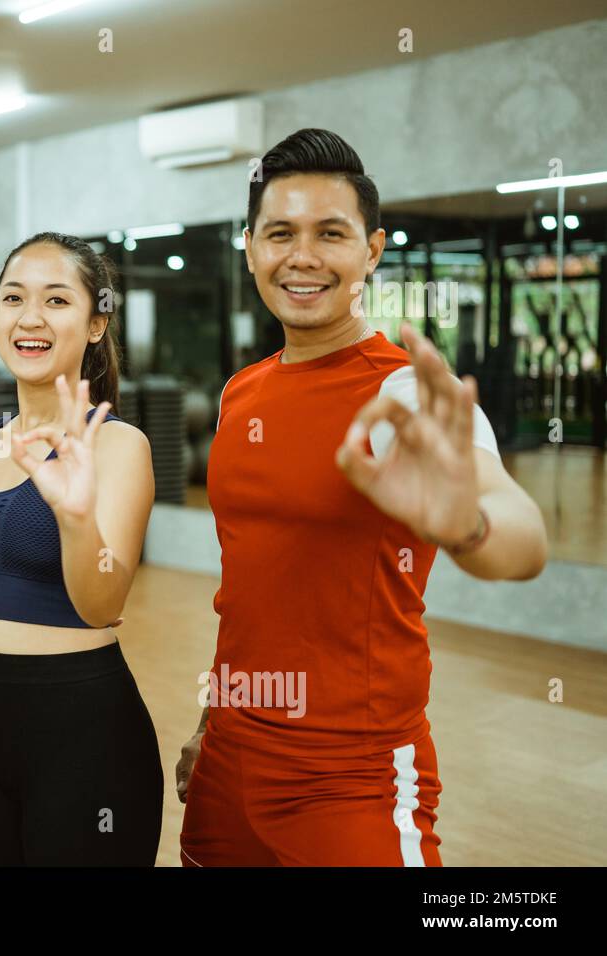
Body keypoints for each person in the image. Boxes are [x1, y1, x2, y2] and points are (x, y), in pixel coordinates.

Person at [176, 129, 549, 866]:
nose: (303, 257)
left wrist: (467, 524)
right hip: (229, 761)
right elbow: (250, 589)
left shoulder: (403, 391)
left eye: (332, 234)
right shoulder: (238, 393)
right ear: (250, 247)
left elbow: (525, 538)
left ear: (371, 251)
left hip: (355, 778)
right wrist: (209, 724)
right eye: (280, 233)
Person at [0, 232, 164, 865]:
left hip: (83, 731)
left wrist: (74, 516)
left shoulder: (118, 447)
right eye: (14, 298)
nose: (30, 317)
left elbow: (100, 605)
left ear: (96, 324)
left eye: (56, 300)